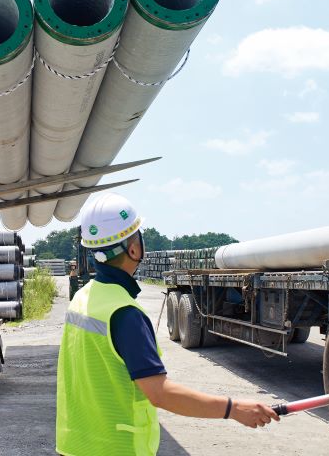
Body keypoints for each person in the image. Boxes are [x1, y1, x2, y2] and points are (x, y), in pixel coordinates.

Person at [56, 193, 279, 456]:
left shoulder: (83, 297)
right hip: (116, 449)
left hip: (75, 445)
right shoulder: (125, 314)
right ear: (134, 249)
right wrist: (233, 409)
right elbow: (160, 393)